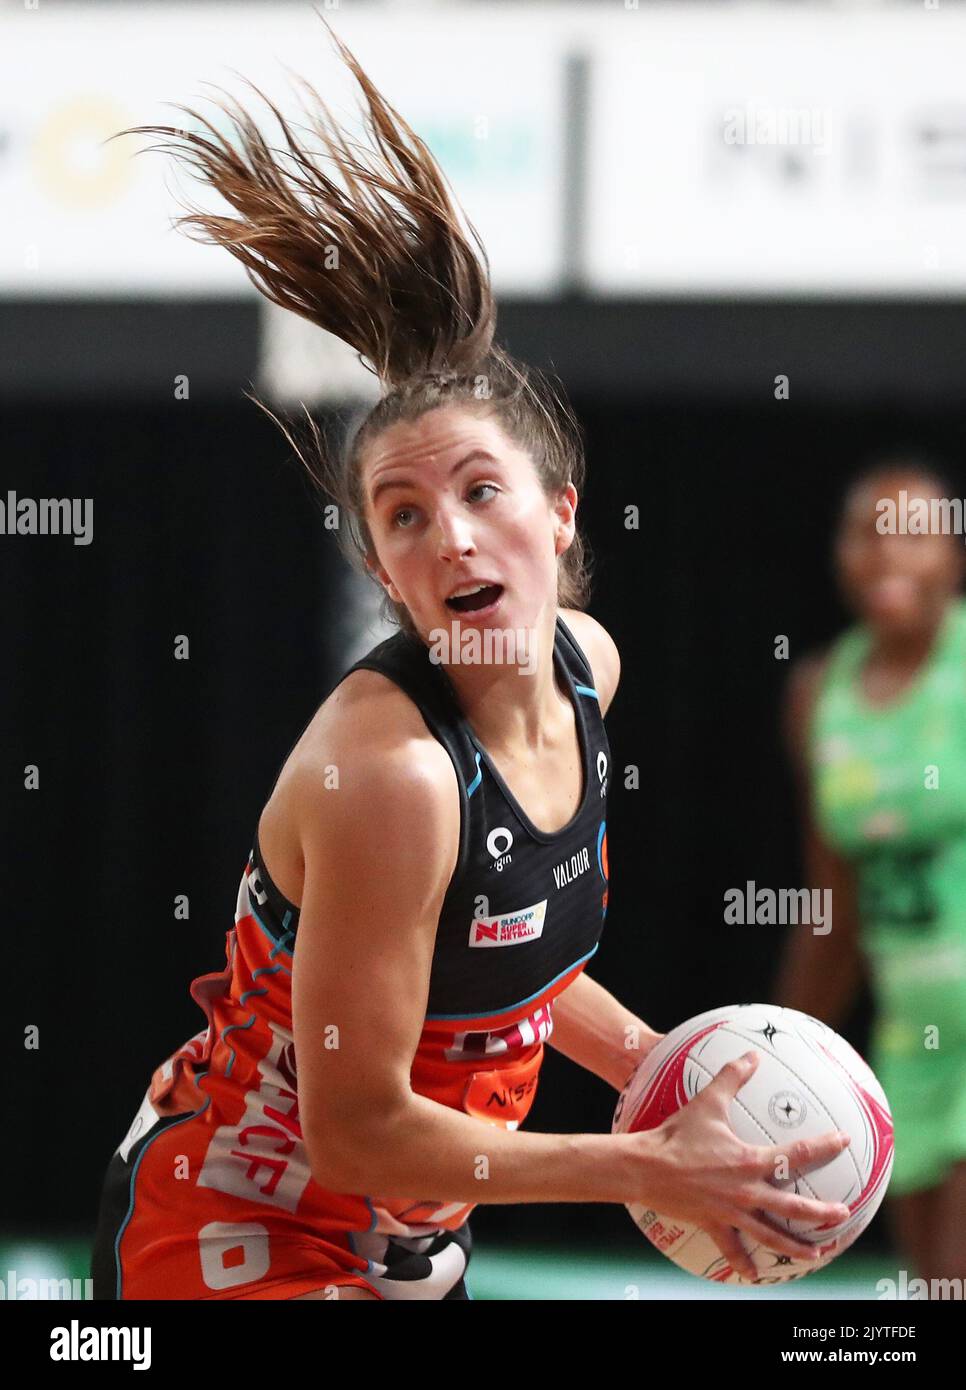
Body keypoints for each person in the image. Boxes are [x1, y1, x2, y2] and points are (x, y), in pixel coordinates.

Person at [91, 17, 851, 1300]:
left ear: (556, 514)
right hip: (243, 1222)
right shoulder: (393, 777)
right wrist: (649, 1165)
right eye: (402, 516)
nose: (448, 534)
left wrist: (670, 1071)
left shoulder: (588, 671)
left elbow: (517, 965)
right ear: (385, 575)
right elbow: (356, 1126)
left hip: (410, 1242)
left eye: (480, 491)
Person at [777, 457, 966, 1283]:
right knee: (931, 1278)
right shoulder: (821, 691)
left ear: (954, 553)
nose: (888, 554)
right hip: (906, 1040)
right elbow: (833, 912)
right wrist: (779, 1054)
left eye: (914, 535)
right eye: (866, 534)